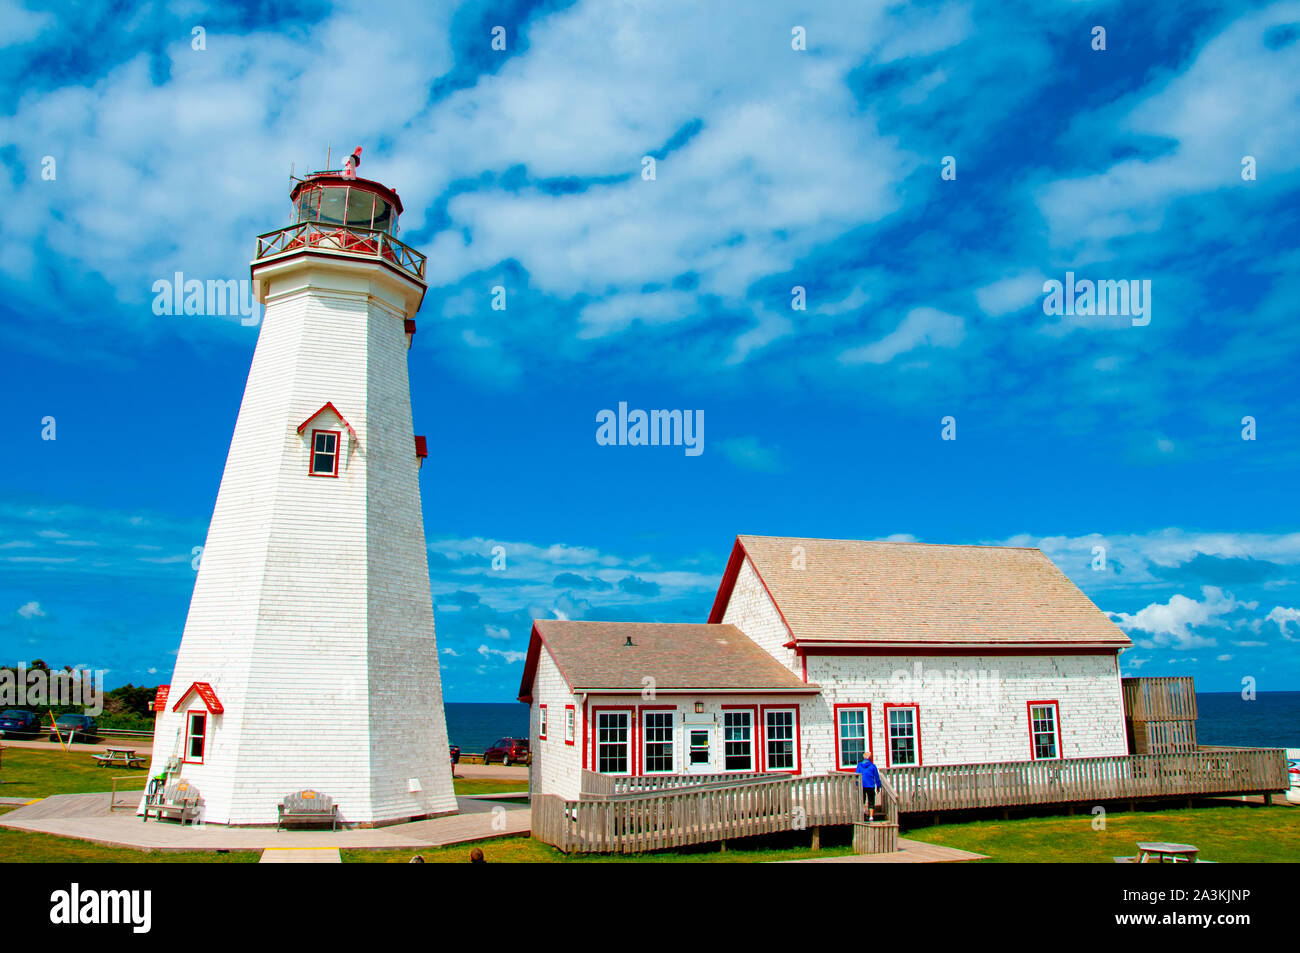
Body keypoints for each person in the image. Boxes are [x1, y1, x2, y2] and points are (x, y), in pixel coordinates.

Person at [855, 753, 881, 821]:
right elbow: (876, 777)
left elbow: (857, 775)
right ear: (869, 758)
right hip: (870, 785)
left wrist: (857, 784)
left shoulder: (859, 765)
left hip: (862, 785)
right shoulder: (873, 766)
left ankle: (863, 812)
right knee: (871, 800)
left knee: (862, 799)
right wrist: (878, 786)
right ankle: (871, 817)